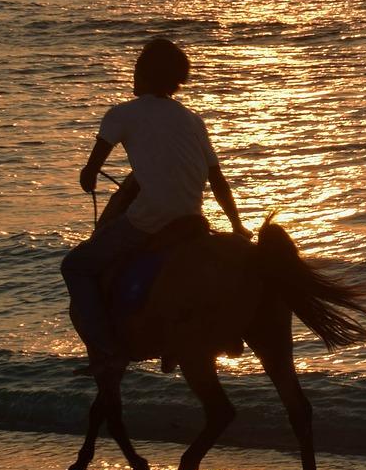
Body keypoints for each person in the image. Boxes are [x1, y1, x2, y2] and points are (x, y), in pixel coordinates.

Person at [61, 36, 251, 374]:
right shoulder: (193, 120)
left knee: (75, 265)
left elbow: (90, 171)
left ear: (145, 74)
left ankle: (106, 350)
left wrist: (87, 177)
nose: (132, 76)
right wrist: (237, 226)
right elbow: (218, 182)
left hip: (149, 220)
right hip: (193, 219)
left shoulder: (121, 114)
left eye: (136, 69)